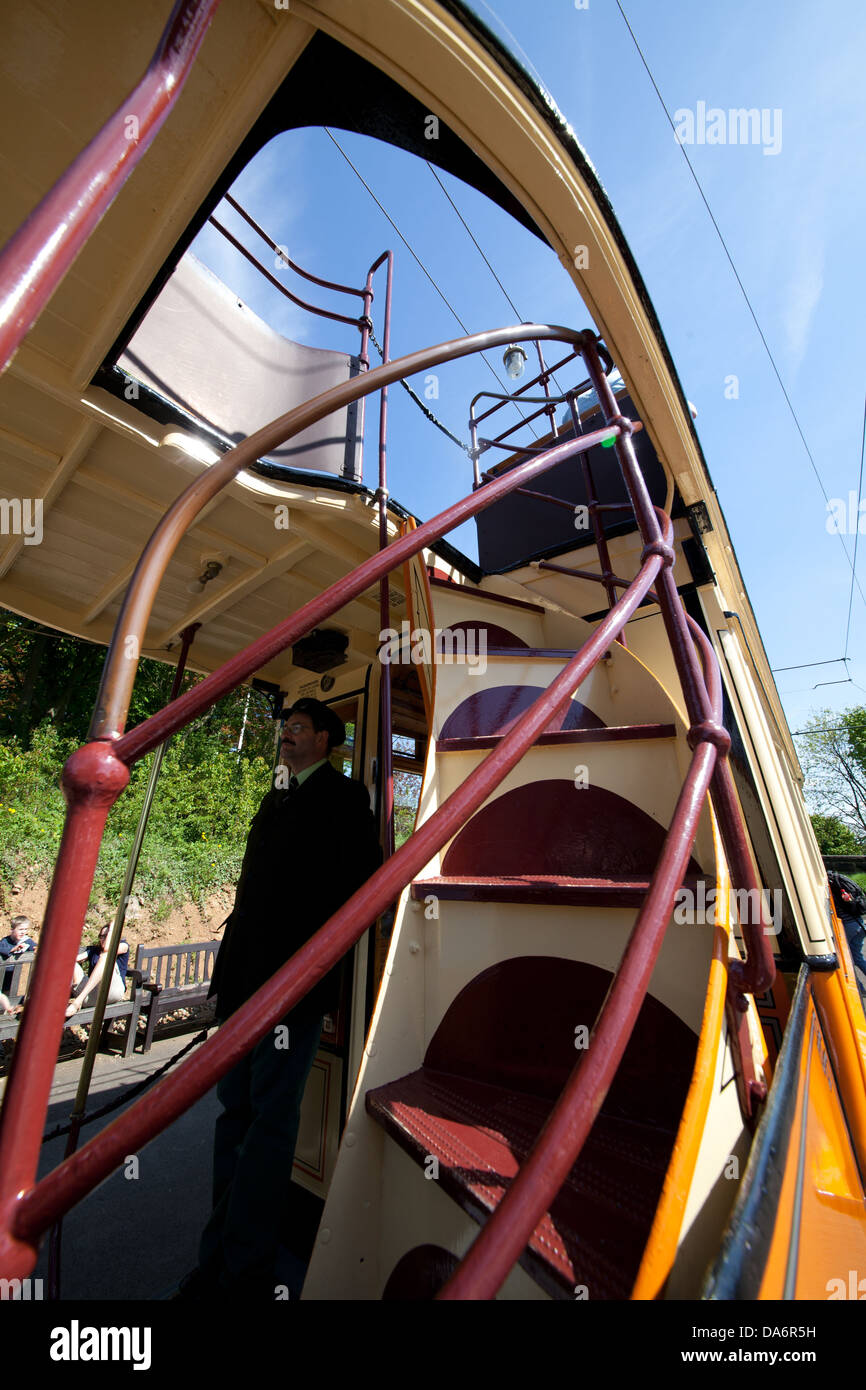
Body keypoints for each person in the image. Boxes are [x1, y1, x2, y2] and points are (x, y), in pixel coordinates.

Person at [181, 698, 381, 1300]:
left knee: (266, 1129)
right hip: (243, 988)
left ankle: (245, 1273)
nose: (285, 737)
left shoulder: (346, 802)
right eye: (284, 727)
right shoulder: (277, 796)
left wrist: (319, 981)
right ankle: (214, 1259)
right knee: (232, 1118)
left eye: (296, 728)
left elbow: (359, 897)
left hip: (289, 997)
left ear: (326, 738)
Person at [65, 924, 129, 1018]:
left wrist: (112, 926)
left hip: (112, 992)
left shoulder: (123, 945)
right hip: (93, 996)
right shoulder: (94, 950)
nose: (103, 939)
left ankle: (77, 1002)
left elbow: (108, 949)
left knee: (105, 957)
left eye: (106, 936)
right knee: (70, 963)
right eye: (101, 936)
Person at [0, 916, 37, 995]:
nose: (23, 932)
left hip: (11, 977)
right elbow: (1, 949)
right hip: (1, 973)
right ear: (12, 930)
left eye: (25, 929)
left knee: (7, 993)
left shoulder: (27, 941)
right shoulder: (5, 941)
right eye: (20, 929)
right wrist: (13, 949)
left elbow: (35, 947)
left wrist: (37, 949)